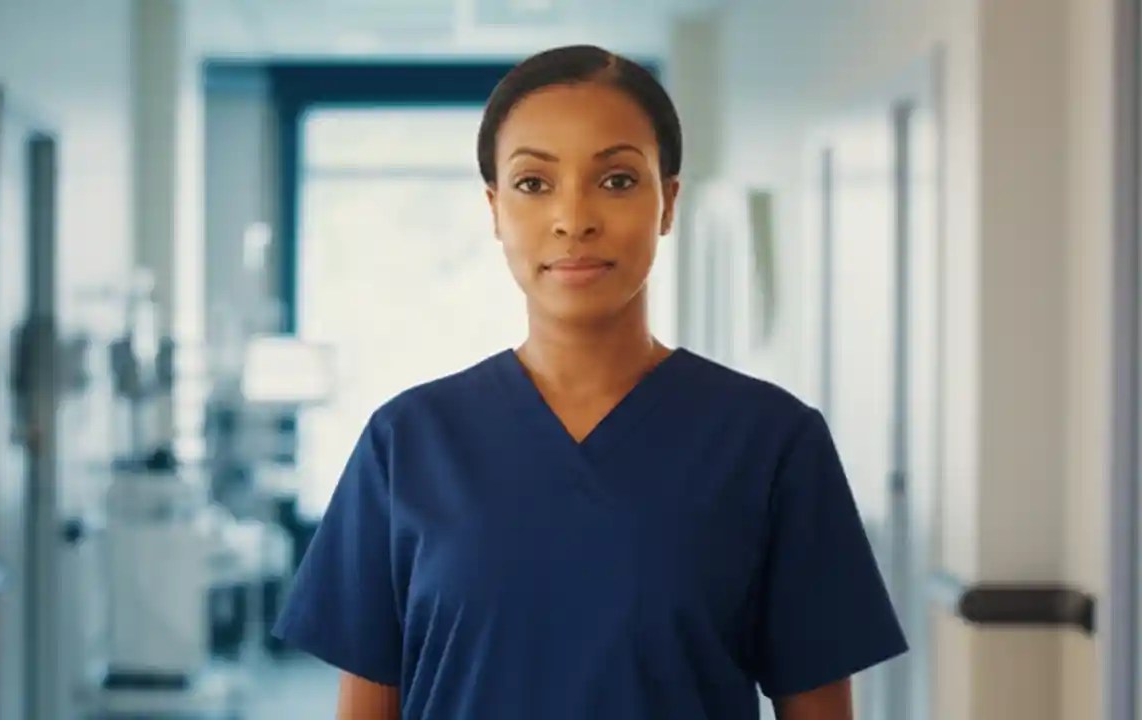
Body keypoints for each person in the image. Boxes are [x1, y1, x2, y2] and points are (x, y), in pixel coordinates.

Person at [271, 44, 907, 720]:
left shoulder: (773, 443)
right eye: (533, 184)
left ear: (668, 202)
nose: (574, 219)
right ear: (494, 209)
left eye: (617, 180)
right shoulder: (406, 443)